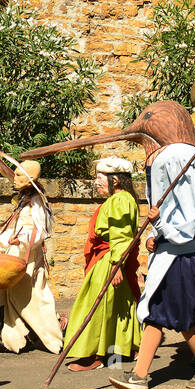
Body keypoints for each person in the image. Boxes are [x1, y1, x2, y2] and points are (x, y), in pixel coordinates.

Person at [109, 104, 195, 389]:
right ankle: (144, 375)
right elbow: (170, 207)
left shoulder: (177, 155)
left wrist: (161, 228)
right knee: (161, 313)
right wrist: (157, 234)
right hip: (174, 252)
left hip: (185, 254)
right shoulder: (169, 155)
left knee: (178, 317)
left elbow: (188, 212)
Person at [61, 156, 142, 371]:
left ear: (115, 180)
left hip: (110, 260)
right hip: (111, 258)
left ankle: (93, 356)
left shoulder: (120, 200)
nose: (96, 182)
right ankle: (124, 349)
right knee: (119, 305)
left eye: (100, 177)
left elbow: (121, 234)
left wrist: (116, 265)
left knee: (95, 305)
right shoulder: (119, 199)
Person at [0, 154, 62, 355]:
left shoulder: (36, 202)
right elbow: (15, 226)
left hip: (28, 260)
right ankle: (4, 338)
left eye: (18, 175)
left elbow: (40, 232)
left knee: (33, 300)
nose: (13, 178)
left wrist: (21, 241)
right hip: (15, 255)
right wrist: (2, 240)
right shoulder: (25, 200)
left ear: (29, 178)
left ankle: (52, 336)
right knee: (7, 296)